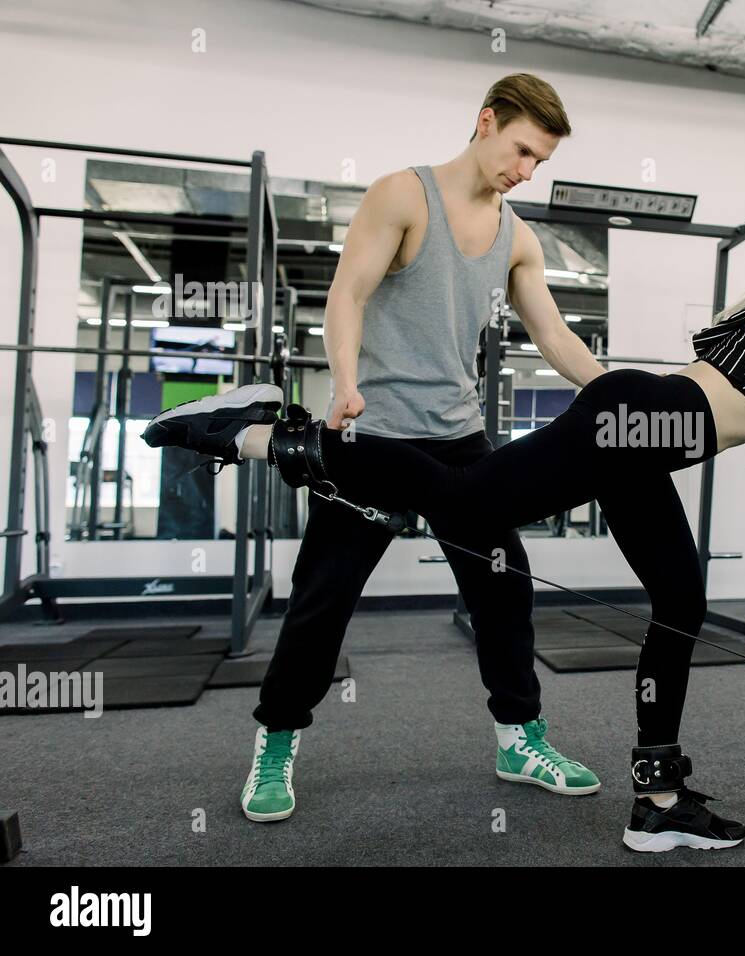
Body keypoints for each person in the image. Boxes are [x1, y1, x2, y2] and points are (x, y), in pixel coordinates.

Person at [146, 200, 745, 851]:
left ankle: (658, 797)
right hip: (642, 419)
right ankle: (273, 433)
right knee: (468, 502)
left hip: (647, 432)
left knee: (669, 594)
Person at [218, 73, 611, 824]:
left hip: (460, 441)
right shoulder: (403, 195)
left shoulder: (516, 236)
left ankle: (519, 738)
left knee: (504, 589)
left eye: (540, 163)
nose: (525, 172)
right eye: (522, 151)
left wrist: (620, 393)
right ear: (486, 121)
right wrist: (342, 383)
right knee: (323, 601)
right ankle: (276, 739)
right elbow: (348, 293)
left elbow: (554, 335)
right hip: (372, 435)